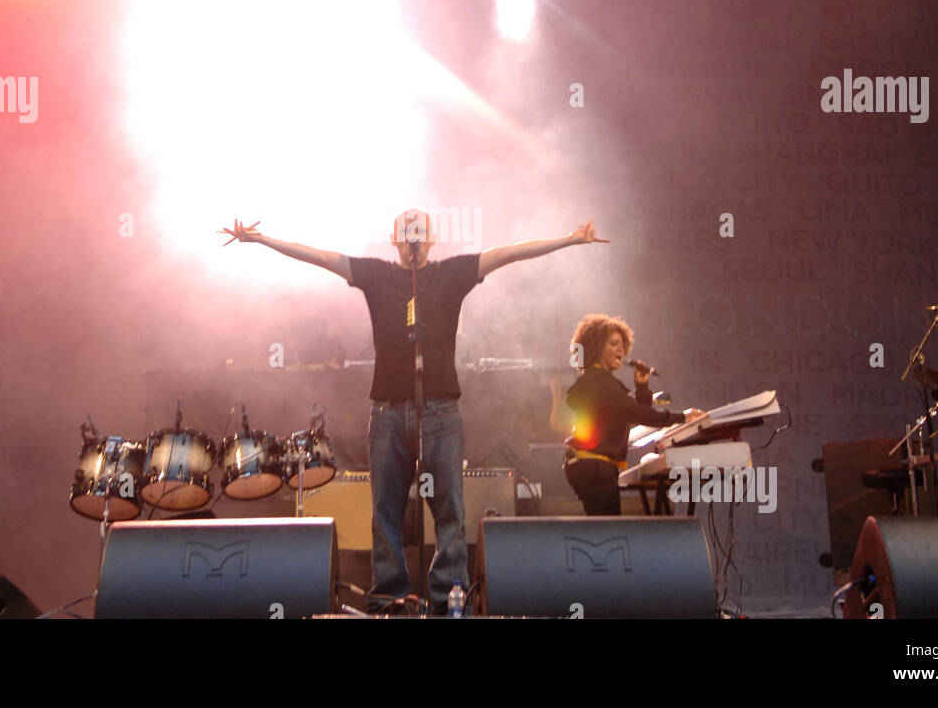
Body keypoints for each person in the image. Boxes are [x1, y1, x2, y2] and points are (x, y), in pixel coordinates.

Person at [220, 210, 608, 613]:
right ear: (394, 239)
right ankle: (390, 597)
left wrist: (568, 240)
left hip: (440, 411)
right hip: (387, 413)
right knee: (386, 509)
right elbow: (321, 257)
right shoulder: (376, 275)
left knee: (449, 511)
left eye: (419, 231)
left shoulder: (452, 273)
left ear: (432, 238)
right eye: (405, 232)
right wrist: (263, 241)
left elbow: (507, 254)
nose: (412, 238)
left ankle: (446, 601)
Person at [563, 313, 706, 516]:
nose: (620, 349)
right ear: (596, 347)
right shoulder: (602, 383)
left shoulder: (594, 381)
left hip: (588, 466)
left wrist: (641, 386)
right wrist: (682, 417)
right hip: (595, 468)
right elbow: (641, 414)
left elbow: (633, 414)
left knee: (606, 532)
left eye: (622, 344)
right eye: (613, 343)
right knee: (609, 534)